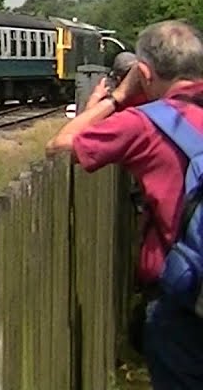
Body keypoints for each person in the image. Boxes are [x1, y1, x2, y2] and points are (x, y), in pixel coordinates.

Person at [46, 19, 203, 389]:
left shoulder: (144, 124)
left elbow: (60, 148)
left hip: (184, 303)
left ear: (143, 73)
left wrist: (114, 99)